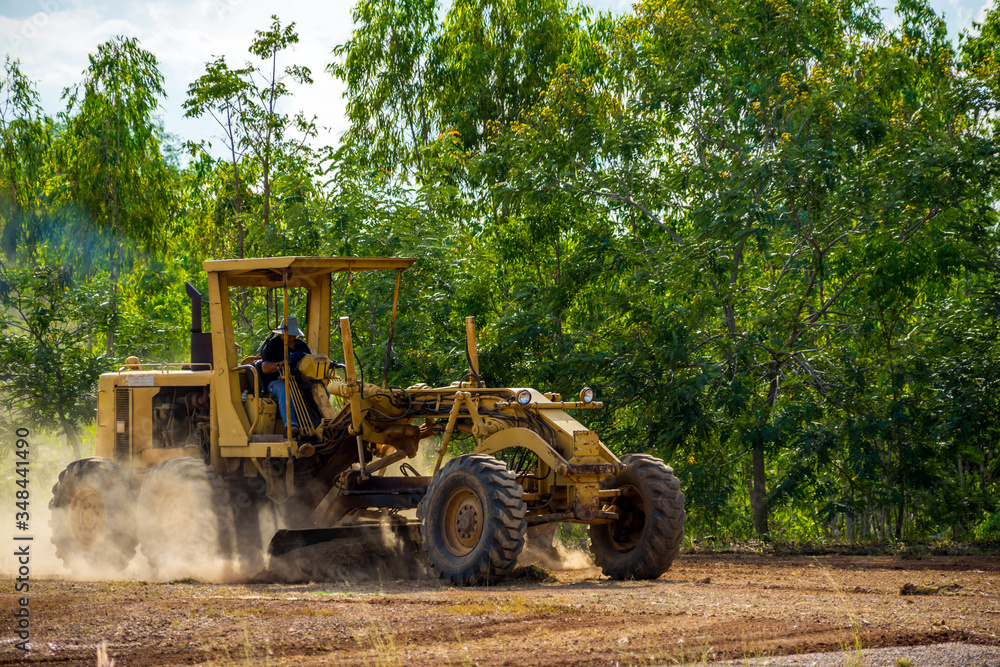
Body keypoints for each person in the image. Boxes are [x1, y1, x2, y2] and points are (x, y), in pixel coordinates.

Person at [260, 316, 311, 436]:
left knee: (319, 388)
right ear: (282, 332)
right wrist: (284, 363)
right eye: (289, 334)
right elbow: (265, 368)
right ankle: (291, 425)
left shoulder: (302, 345)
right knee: (285, 388)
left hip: (298, 380)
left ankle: (316, 421)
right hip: (276, 382)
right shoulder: (272, 346)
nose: (292, 337)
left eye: (294, 334)